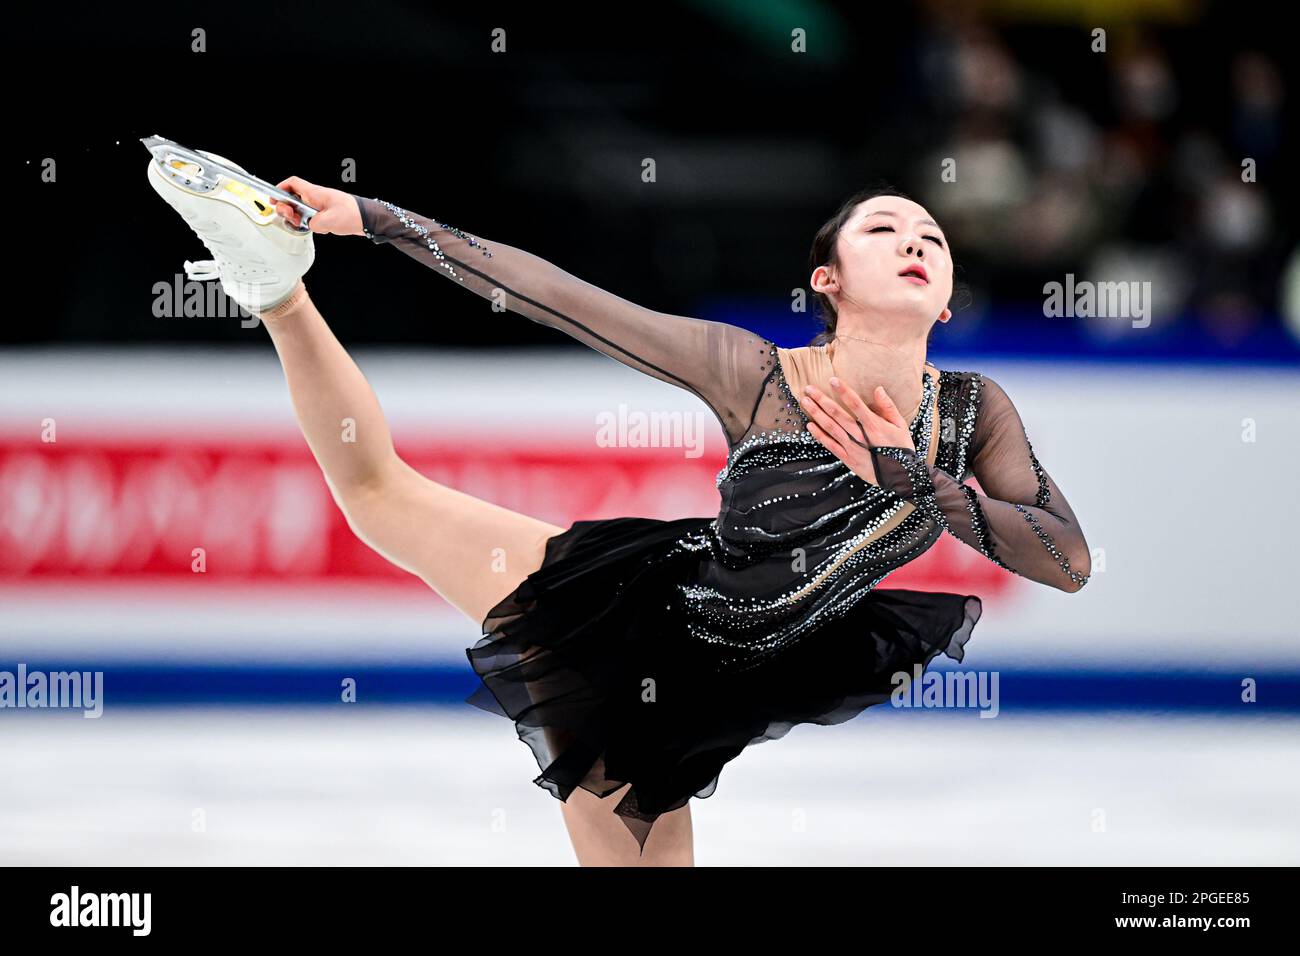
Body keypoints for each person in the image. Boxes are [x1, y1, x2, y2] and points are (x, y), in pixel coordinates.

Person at [148, 159, 1091, 866]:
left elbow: (1064, 558)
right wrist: (376, 218)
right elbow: (552, 294)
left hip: (772, 656)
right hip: (634, 635)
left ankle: (275, 292)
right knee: (378, 497)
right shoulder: (756, 377)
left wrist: (916, 483)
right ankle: (277, 288)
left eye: (931, 234)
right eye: (884, 230)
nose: (916, 242)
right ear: (828, 282)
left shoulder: (974, 412)